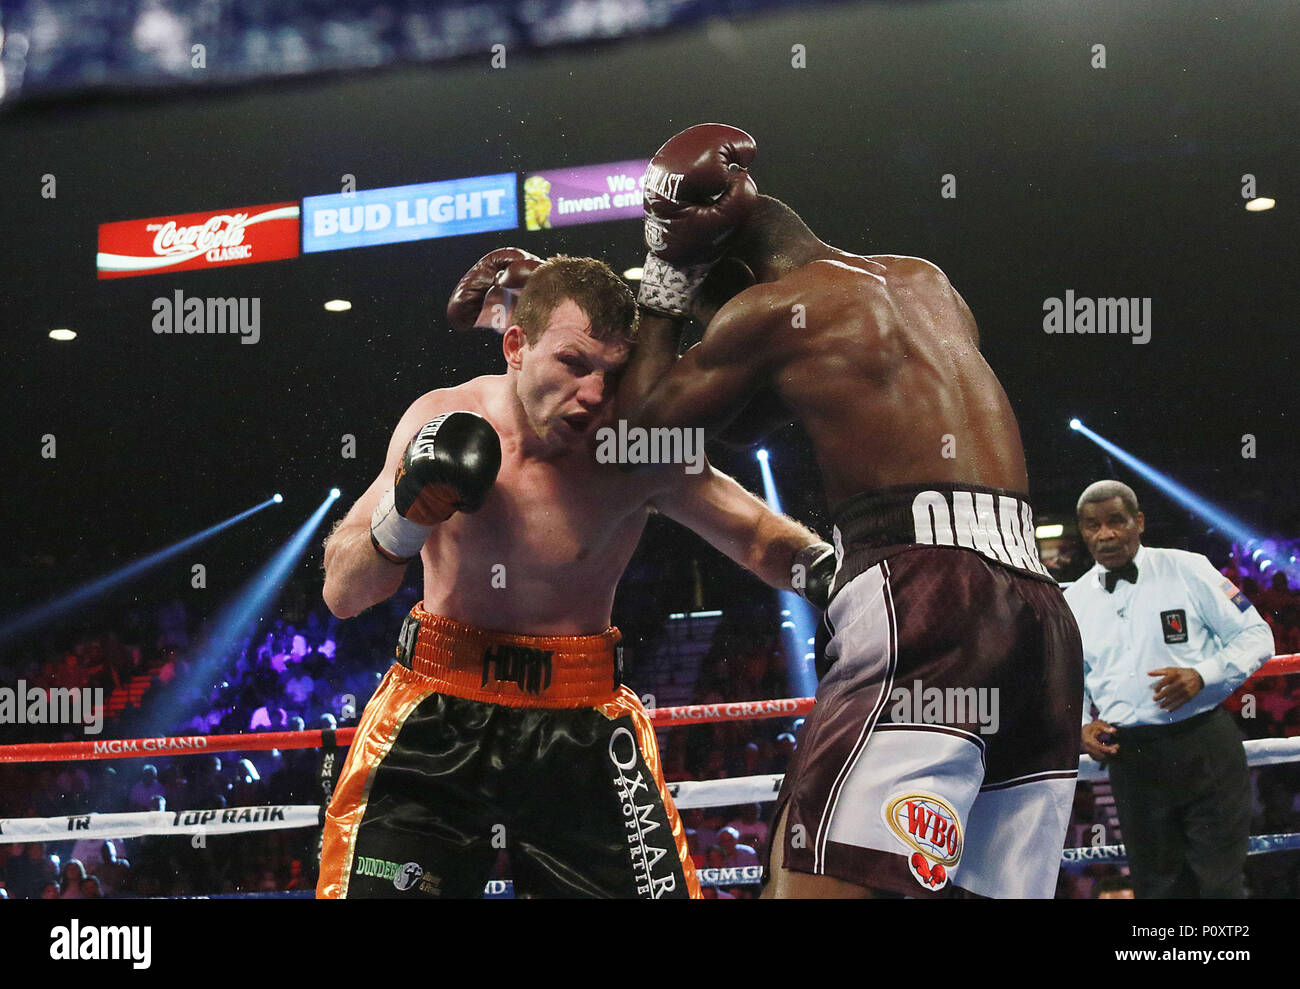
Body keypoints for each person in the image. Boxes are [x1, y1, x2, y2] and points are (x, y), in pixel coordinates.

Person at [621, 123, 1083, 898]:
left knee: (809, 879)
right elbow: (757, 415)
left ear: (734, 277)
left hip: (926, 595)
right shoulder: (925, 282)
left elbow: (640, 439)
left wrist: (665, 270)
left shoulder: (771, 310)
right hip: (1038, 610)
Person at [316, 252, 833, 899]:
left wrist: (841, 579)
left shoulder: (635, 449)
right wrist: (406, 510)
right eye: (573, 362)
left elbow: (758, 535)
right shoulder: (441, 416)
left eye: (611, 373)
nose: (592, 393)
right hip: (435, 717)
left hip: (582, 729)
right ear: (515, 346)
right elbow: (342, 592)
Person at [1063, 479, 1274, 898]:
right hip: (1132, 757)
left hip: (1202, 743)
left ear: (1138, 522)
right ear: (1083, 531)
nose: (1105, 534)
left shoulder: (1188, 568)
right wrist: (1081, 725)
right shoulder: (1075, 601)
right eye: (1093, 526)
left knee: (1219, 882)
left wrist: (1203, 674)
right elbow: (1073, 679)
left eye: (1115, 522)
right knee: (1156, 887)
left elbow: (1258, 636)